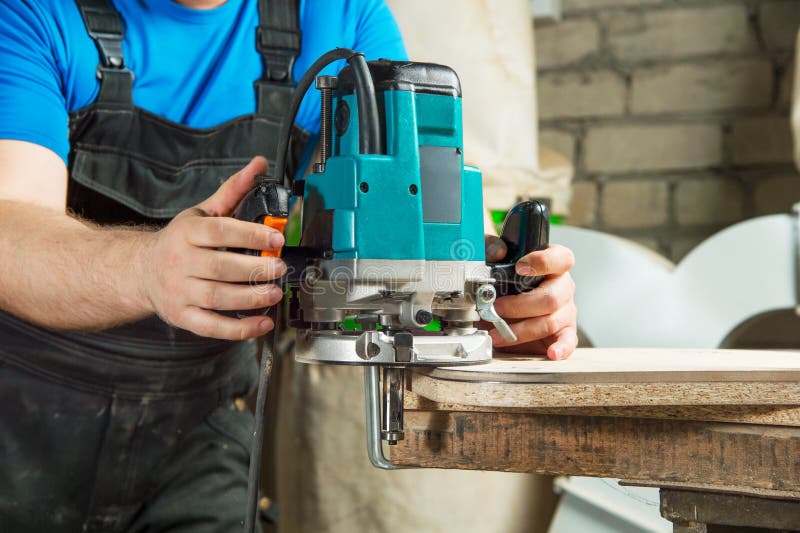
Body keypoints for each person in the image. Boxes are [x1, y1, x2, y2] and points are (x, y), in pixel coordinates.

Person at [0, 0, 577, 531]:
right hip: (24, 421)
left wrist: (487, 285)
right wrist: (147, 268)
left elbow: (402, 202)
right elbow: (11, 231)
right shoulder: (35, 12)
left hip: (203, 429)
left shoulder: (342, 16)